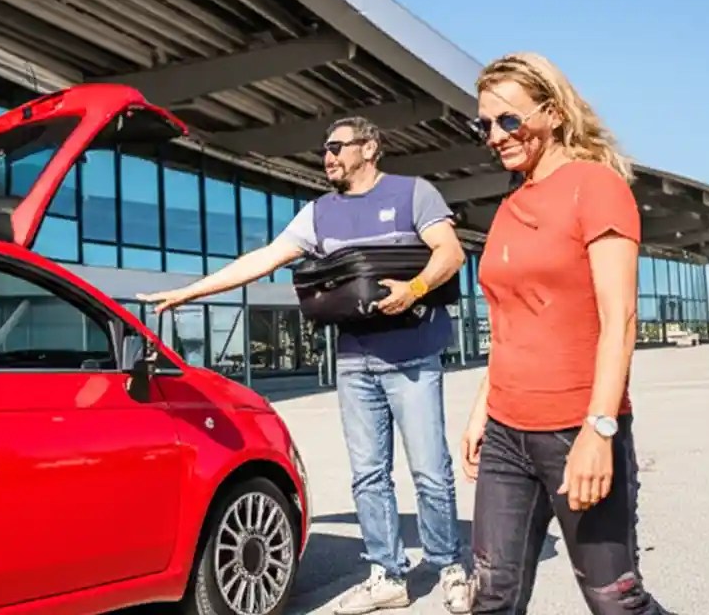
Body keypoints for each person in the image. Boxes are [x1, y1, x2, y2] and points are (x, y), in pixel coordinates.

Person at [138, 117, 472, 614]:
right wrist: (190, 290)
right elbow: (263, 259)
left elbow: (451, 252)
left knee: (429, 470)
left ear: (370, 147)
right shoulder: (319, 214)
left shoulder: (411, 194)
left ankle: (449, 566)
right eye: (324, 150)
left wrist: (415, 290)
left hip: (413, 356)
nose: (328, 157)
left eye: (337, 147)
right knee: (367, 474)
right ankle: (388, 574)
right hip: (356, 362)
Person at [459, 52, 671, 614]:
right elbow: (509, 321)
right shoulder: (509, 206)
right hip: (507, 433)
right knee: (491, 599)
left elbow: (619, 318)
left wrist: (599, 430)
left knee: (615, 601)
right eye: (484, 125)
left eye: (509, 120)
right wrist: (483, 408)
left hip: (577, 426)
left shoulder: (595, 187)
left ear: (551, 113)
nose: (496, 136)